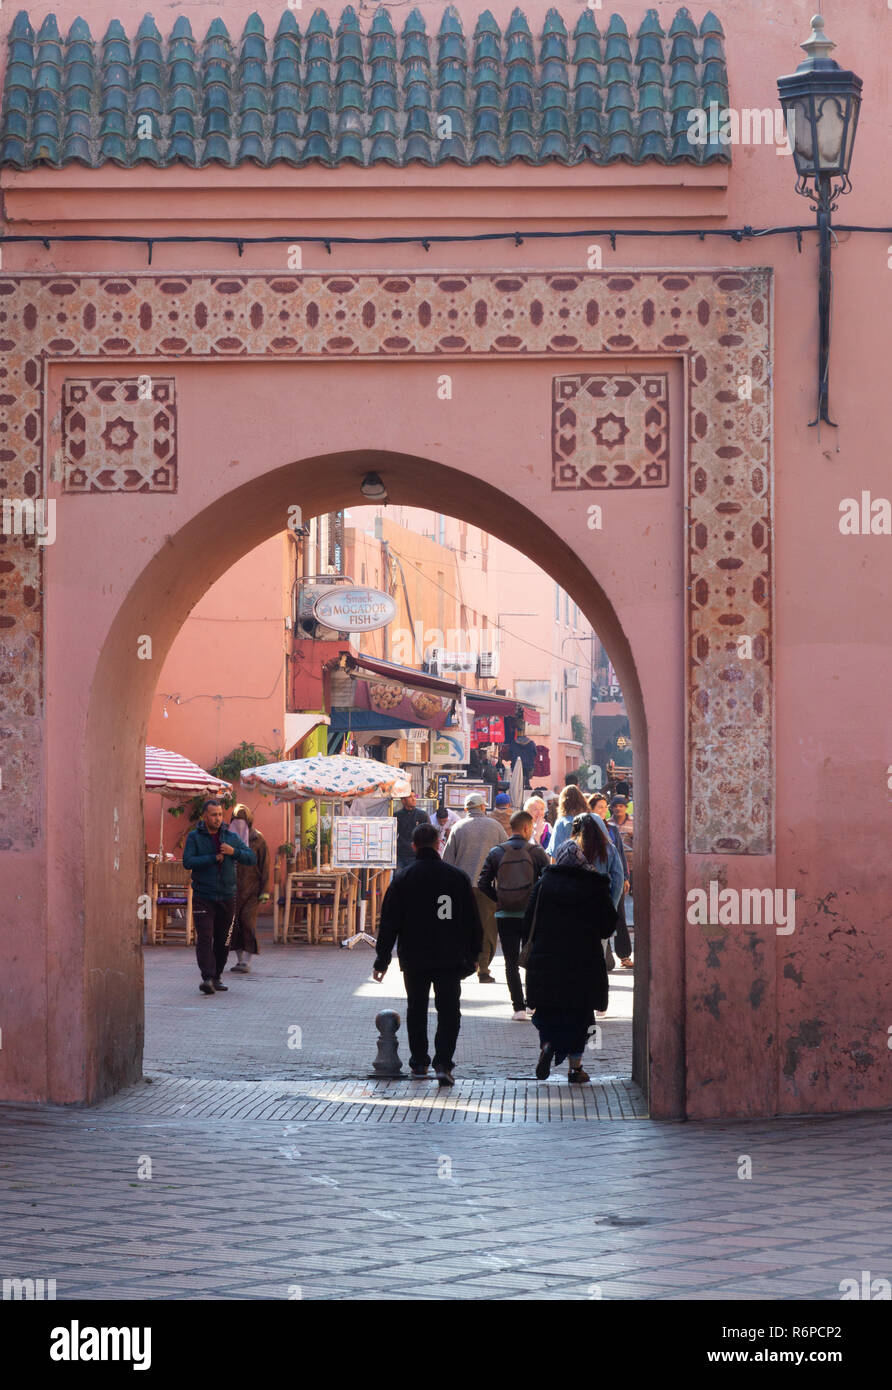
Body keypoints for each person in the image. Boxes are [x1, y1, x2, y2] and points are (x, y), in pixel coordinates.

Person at [373, 823, 483, 1086]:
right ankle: (443, 1064)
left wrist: (382, 959)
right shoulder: (456, 877)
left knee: (417, 1009)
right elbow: (471, 920)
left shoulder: (403, 878)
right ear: (438, 844)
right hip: (449, 955)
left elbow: (389, 922)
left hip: (415, 956)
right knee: (449, 1011)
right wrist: (474, 953)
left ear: (413, 846)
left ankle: (419, 1062)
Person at [524, 814, 620, 1083]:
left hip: (547, 959)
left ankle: (547, 1045)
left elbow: (528, 919)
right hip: (583, 961)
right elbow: (606, 925)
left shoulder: (544, 883)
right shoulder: (595, 885)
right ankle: (575, 1068)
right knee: (580, 1014)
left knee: (548, 1009)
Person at [478, 809, 550, 1019]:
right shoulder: (537, 853)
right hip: (531, 916)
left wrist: (499, 899)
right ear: (527, 828)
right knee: (532, 958)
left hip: (505, 915)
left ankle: (518, 1007)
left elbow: (483, 882)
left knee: (510, 961)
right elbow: (547, 882)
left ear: (512, 827)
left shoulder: (496, 852)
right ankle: (532, 1003)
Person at [183, 799, 256, 995]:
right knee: (205, 937)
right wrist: (212, 858)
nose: (217, 818)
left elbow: (251, 857)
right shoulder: (194, 838)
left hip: (227, 895)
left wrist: (234, 852)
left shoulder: (230, 837)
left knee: (224, 939)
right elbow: (188, 861)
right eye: (213, 815)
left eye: (220, 815)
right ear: (205, 816)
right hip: (203, 895)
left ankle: (217, 977)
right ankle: (207, 977)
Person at [442, 791, 506, 983]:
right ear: (483, 807)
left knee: (463, 926)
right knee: (488, 928)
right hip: (488, 888)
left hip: (463, 888)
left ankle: (464, 965)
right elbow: (505, 854)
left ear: (465, 809)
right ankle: (484, 970)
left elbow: (447, 860)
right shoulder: (495, 827)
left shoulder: (458, 827)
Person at [590, 792, 633, 968]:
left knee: (619, 916)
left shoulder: (612, 829)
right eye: (599, 807)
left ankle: (624, 955)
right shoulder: (588, 829)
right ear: (591, 809)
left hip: (614, 879)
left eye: (604, 807)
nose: (604, 810)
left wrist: (625, 877)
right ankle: (604, 956)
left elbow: (620, 856)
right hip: (594, 881)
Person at [228, 804, 271, 973]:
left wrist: (264, 891)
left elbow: (265, 866)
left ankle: (247, 960)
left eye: (242, 821)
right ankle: (239, 961)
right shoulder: (228, 838)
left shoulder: (257, 839)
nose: (239, 824)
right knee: (235, 924)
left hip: (252, 890)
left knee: (247, 922)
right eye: (236, 821)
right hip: (232, 890)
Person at [548, 784, 590, 858]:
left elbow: (555, 853)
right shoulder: (589, 820)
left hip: (565, 866)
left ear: (563, 802)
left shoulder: (561, 823)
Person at [394, 792, 428, 871]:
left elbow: (428, 835)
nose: (413, 799)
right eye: (410, 797)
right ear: (403, 800)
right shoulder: (397, 815)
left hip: (417, 855)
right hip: (401, 855)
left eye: (414, 796)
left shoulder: (422, 815)